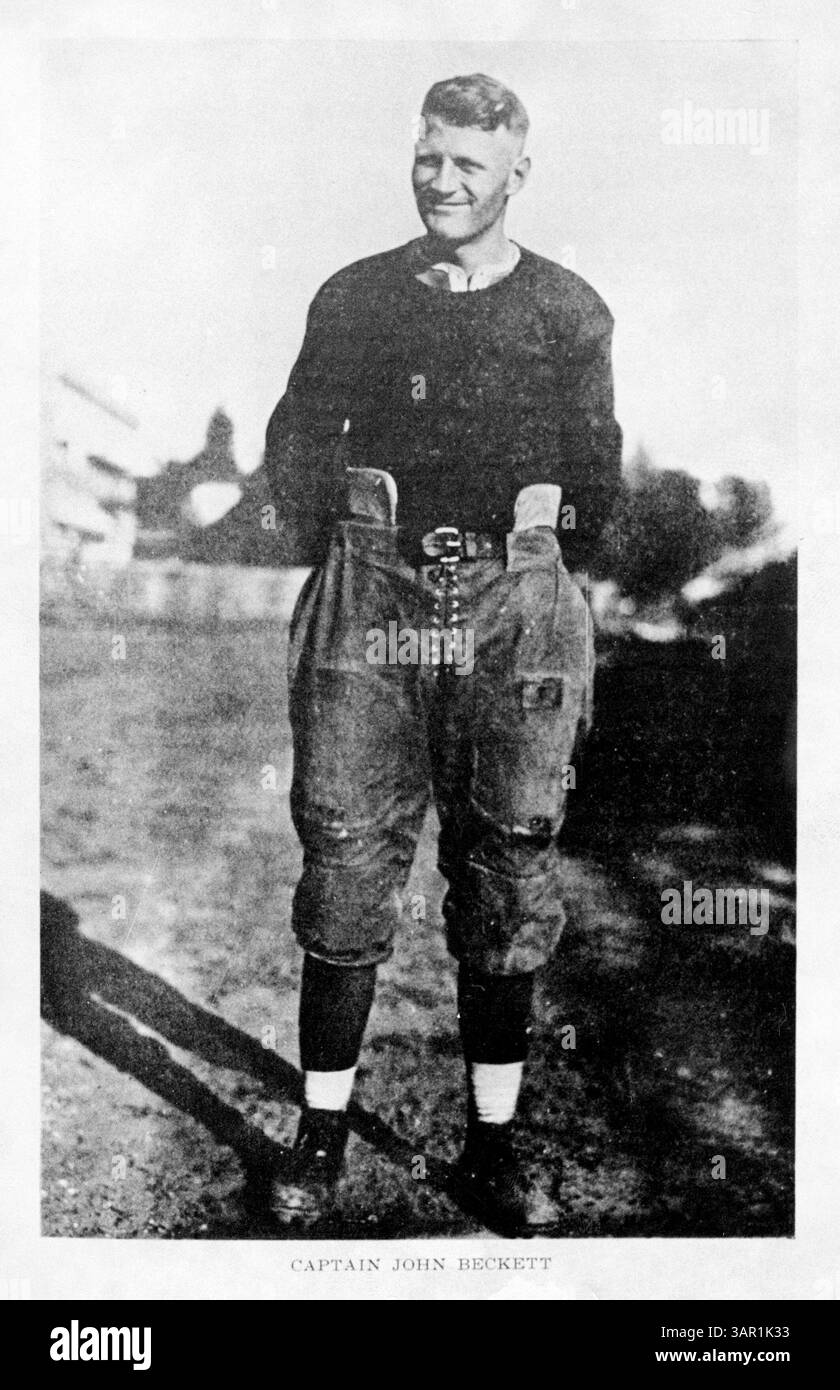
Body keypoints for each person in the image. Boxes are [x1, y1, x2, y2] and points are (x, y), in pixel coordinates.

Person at [264, 73, 622, 1234]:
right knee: (346, 851)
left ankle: (497, 1147)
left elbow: (599, 482)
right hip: (374, 583)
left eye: (470, 163)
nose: (442, 180)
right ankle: (318, 1136)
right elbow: (296, 443)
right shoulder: (356, 296)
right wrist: (360, 539)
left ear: (519, 174)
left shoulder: (569, 312)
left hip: (513, 606)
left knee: (510, 860)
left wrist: (530, 550)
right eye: (430, 156)